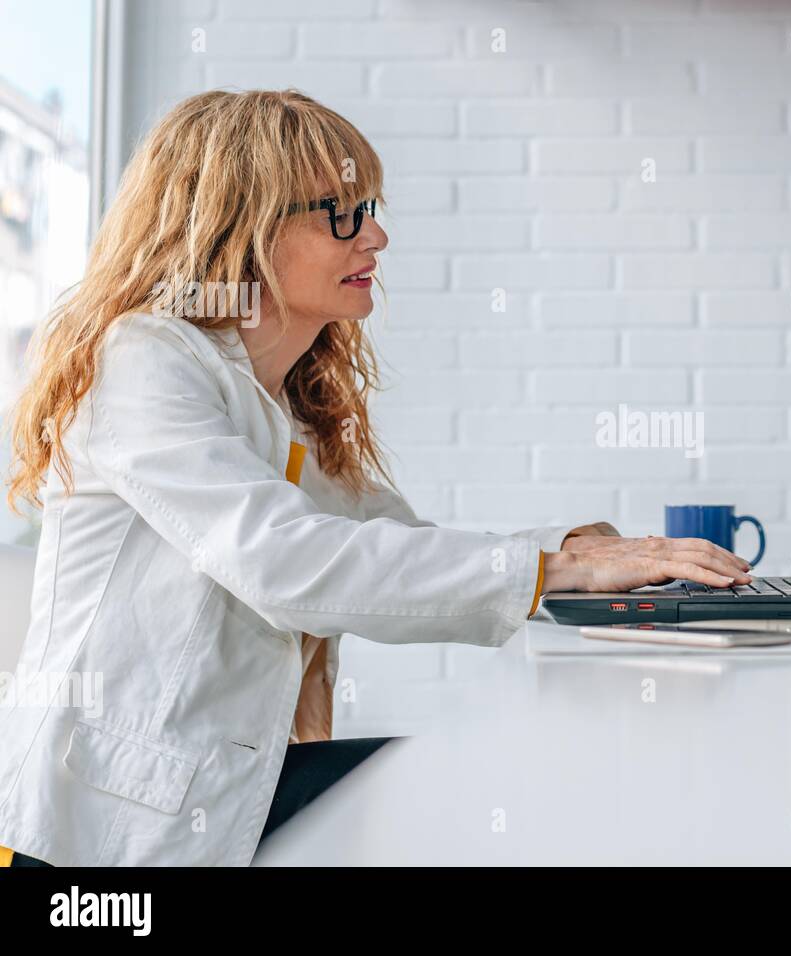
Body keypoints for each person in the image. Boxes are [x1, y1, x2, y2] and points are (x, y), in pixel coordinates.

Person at [0, 89, 751, 867]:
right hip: (91, 840)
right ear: (243, 225)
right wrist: (555, 568)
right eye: (343, 214)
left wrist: (576, 557)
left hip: (210, 800)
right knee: (484, 802)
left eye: (370, 208)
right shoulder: (142, 362)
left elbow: (388, 543)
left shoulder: (284, 402)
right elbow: (285, 561)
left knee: (499, 792)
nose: (377, 235)